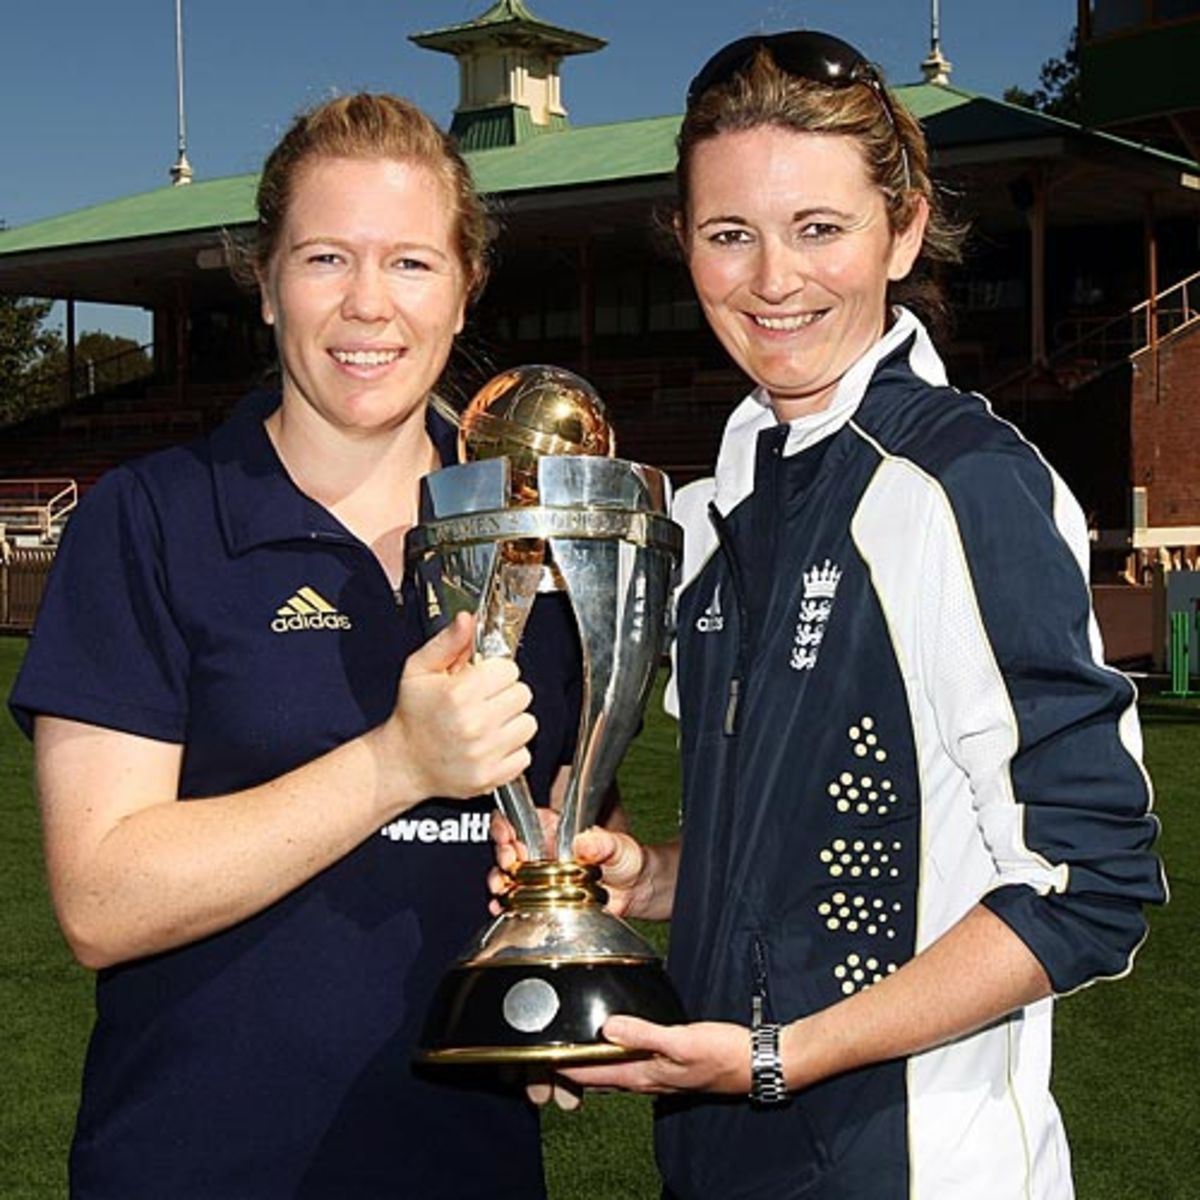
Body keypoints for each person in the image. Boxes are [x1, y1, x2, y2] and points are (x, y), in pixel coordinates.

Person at [495, 31, 1166, 1199]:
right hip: (719, 1166)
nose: (773, 280)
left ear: (902, 231)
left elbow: (1090, 882)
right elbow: (825, 847)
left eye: (819, 228)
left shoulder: (961, 485)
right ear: (684, 243)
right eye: (729, 234)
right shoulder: (715, 513)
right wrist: (653, 878)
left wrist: (779, 1057)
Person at [9, 93, 581, 1199]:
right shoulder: (152, 522)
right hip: (196, 1169)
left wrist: (561, 911)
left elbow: (554, 821)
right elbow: (100, 900)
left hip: (470, 1171)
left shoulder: (539, 538)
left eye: (411, 262)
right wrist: (395, 764)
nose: (369, 303)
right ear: (267, 283)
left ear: (465, 288)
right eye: (326, 258)